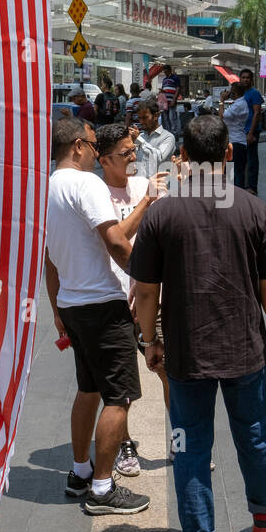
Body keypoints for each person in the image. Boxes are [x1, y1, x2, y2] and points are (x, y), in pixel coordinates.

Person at [129, 113, 266, 532]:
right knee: (254, 434)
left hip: (185, 353)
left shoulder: (162, 213)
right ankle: (264, 514)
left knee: (189, 445)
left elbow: (145, 291)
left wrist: (150, 340)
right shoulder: (252, 208)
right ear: (227, 153)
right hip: (243, 349)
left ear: (183, 156)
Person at [44, 118, 149, 516]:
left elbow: (49, 261)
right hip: (102, 304)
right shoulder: (86, 183)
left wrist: (56, 308)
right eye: (90, 143)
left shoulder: (47, 187)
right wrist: (144, 279)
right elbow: (116, 241)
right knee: (118, 397)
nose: (93, 150)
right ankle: (103, 488)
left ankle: (80, 472)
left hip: (73, 304)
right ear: (77, 147)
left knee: (88, 390)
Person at [95, 122, 169, 475]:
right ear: (103, 159)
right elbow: (115, 240)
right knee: (120, 388)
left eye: (133, 149)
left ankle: (180, 440)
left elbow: (164, 237)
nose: (133, 156)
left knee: (168, 371)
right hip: (113, 300)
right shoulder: (95, 194)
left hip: (149, 295)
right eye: (125, 153)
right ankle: (125, 446)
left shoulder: (144, 184)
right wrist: (146, 201)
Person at [130, 96, 174, 181]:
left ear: (156, 116)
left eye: (145, 118)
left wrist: (139, 139)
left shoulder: (168, 137)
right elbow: (135, 158)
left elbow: (159, 158)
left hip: (158, 186)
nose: (141, 122)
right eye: (139, 118)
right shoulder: (141, 136)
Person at [237, 67, 263, 194]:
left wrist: (251, 133)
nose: (245, 80)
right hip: (239, 131)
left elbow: (257, 113)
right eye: (243, 77)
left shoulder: (254, 93)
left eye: (248, 77)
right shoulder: (239, 93)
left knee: (251, 160)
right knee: (241, 160)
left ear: (251, 80)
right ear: (239, 79)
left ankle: (252, 187)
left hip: (250, 131)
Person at [222, 81, 251, 189]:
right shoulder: (239, 103)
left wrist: (221, 101)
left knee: (234, 172)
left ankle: (236, 196)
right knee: (234, 171)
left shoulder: (239, 104)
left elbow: (222, 116)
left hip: (236, 142)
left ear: (234, 92)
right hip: (236, 141)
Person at [157, 64, 182, 136]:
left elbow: (178, 89)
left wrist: (174, 100)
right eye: (164, 71)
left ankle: (174, 133)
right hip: (165, 102)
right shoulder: (164, 80)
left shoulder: (175, 78)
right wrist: (162, 91)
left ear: (169, 70)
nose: (165, 72)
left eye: (166, 71)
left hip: (171, 101)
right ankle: (168, 134)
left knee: (172, 118)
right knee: (166, 119)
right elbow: (165, 89)